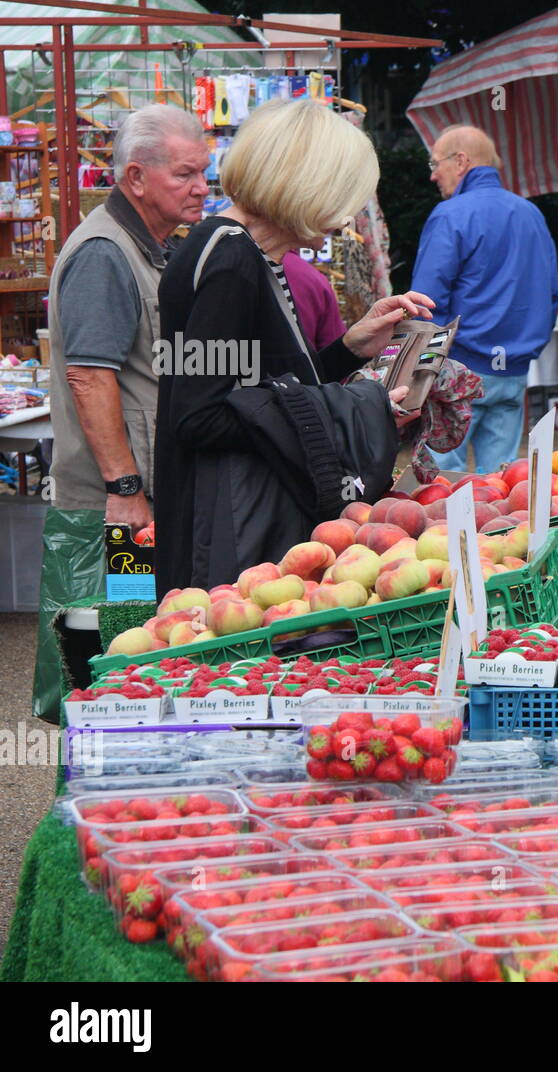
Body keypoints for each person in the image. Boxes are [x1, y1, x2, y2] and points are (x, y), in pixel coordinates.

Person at [153, 99, 434, 593]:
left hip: (233, 526)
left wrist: (349, 347)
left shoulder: (235, 252)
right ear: (306, 187)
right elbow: (198, 415)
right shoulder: (232, 265)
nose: (346, 219)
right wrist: (361, 405)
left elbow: (256, 388)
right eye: (342, 198)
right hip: (229, 538)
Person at [32, 105, 210, 723]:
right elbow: (89, 375)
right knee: (103, 663)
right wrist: (125, 488)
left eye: (204, 173)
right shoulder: (106, 253)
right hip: (113, 512)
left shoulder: (145, 247)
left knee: (127, 652)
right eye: (186, 174)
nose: (201, 187)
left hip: (124, 505)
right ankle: (84, 796)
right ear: (135, 178)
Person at [410, 125, 558, 474]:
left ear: (460, 161)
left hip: (459, 367)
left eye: (435, 164)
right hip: (514, 369)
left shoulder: (451, 214)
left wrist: (426, 370)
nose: (433, 176)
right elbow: (551, 295)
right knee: (501, 485)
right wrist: (527, 350)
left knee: (442, 485)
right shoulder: (530, 214)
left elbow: (426, 303)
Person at [281, 249, 347, 351]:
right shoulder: (313, 279)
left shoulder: (251, 263)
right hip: (301, 363)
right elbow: (334, 350)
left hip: (253, 360)